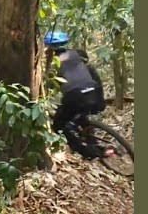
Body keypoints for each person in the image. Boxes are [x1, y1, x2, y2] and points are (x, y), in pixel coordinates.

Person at [44, 31, 106, 159]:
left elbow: (51, 86)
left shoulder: (52, 64)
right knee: (81, 116)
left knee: (59, 125)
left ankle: (87, 152)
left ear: (48, 47)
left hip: (75, 96)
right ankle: (92, 140)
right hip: (95, 91)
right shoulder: (79, 54)